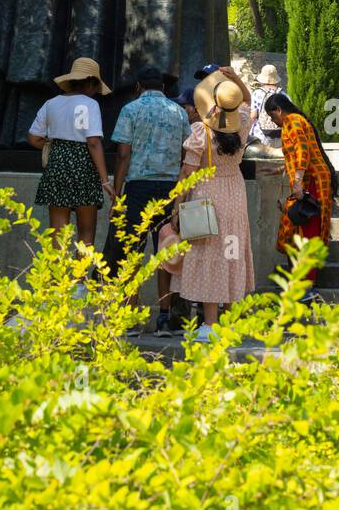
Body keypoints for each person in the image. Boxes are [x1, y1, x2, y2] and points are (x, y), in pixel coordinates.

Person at [172, 66, 255, 342]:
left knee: (209, 255)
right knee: (232, 252)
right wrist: (237, 80)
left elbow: (188, 172)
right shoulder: (242, 123)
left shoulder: (201, 130)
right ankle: (230, 321)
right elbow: (248, 101)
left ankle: (209, 324)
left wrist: (176, 206)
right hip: (236, 192)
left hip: (208, 194)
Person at [112, 65, 191, 335]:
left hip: (138, 188)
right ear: (164, 88)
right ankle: (164, 318)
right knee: (166, 254)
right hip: (169, 189)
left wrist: (117, 191)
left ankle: (131, 318)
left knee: (132, 253)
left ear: (138, 87)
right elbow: (185, 155)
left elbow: (123, 154)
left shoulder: (130, 110)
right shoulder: (178, 112)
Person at [27, 57, 114, 246]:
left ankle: (57, 275)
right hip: (84, 167)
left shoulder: (51, 103)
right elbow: (93, 142)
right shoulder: (90, 105)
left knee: (58, 234)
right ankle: (80, 276)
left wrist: (56, 148)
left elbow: (33, 138)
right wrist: (105, 179)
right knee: (86, 233)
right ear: (91, 83)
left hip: (57, 165)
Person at [263, 92, 339, 285]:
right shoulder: (295, 120)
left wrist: (297, 181)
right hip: (310, 179)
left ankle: (306, 285)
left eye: (272, 117)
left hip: (312, 182)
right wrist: (280, 168)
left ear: (278, 110)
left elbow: (302, 151)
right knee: (294, 232)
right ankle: (301, 281)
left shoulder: (292, 121)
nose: (273, 122)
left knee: (307, 233)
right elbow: (298, 154)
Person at [249, 63, 284, 146]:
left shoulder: (257, 93)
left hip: (261, 135)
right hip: (280, 134)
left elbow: (253, 115)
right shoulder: (283, 94)